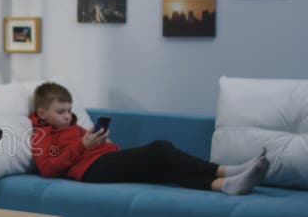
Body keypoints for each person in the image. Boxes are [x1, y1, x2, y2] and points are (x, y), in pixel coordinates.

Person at [30, 82, 269, 195]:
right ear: (42, 113)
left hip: (103, 161)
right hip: (90, 171)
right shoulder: (43, 135)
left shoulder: (74, 127)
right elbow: (50, 166)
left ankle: (226, 185)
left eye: (69, 110)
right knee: (161, 149)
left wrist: (100, 142)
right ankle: (227, 170)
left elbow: (83, 146)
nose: (67, 116)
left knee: (165, 170)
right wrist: (82, 146)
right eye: (60, 112)